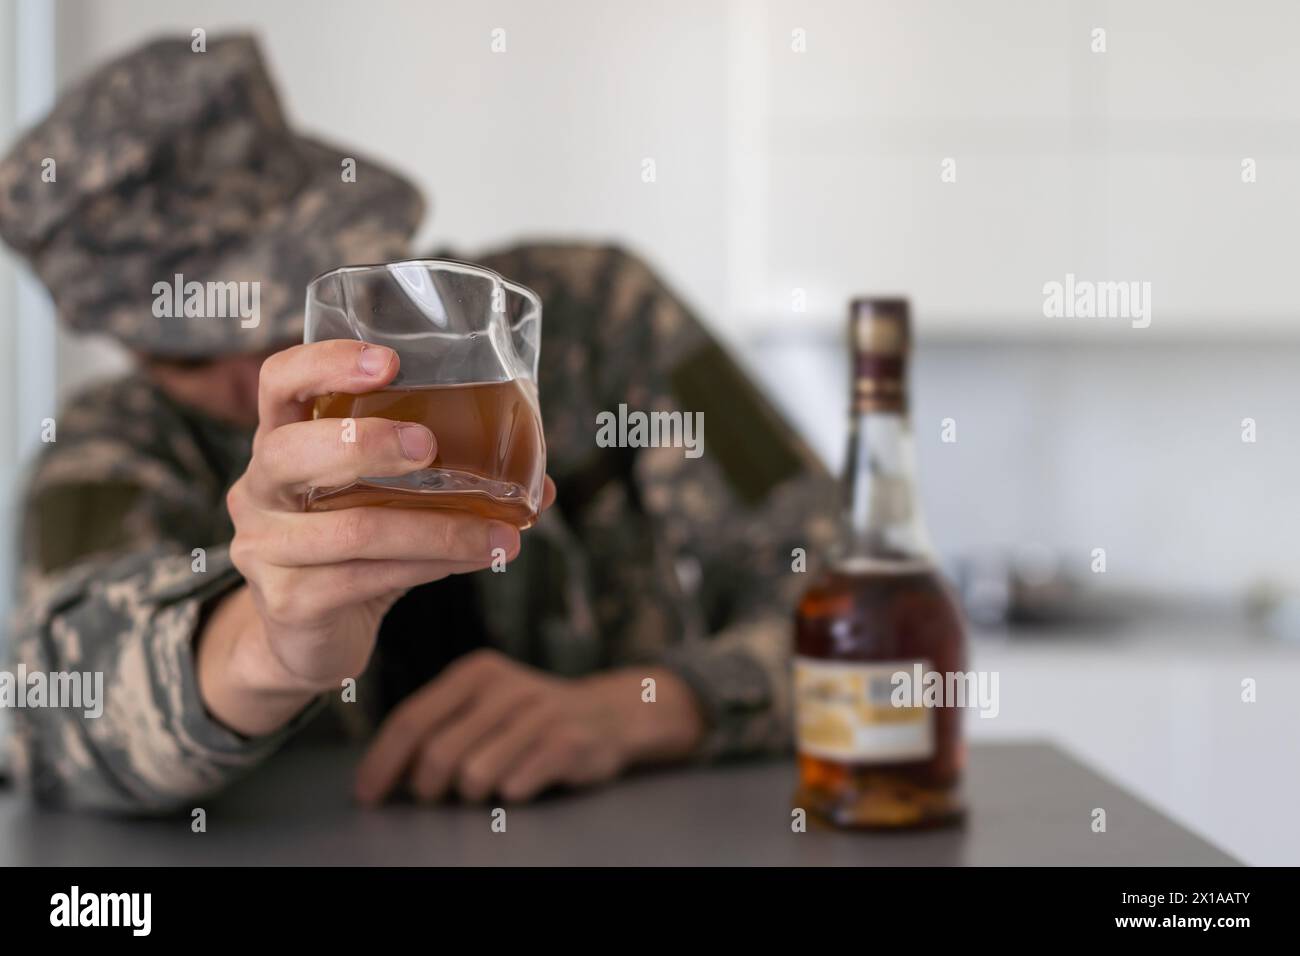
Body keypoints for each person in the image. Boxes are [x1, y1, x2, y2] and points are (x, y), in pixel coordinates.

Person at [0, 35, 836, 813]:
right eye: (187, 353)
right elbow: (47, 701)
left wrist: (652, 709)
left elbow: (865, 614)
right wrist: (263, 646)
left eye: (276, 313)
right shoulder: (124, 446)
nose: (259, 374)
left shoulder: (596, 321)